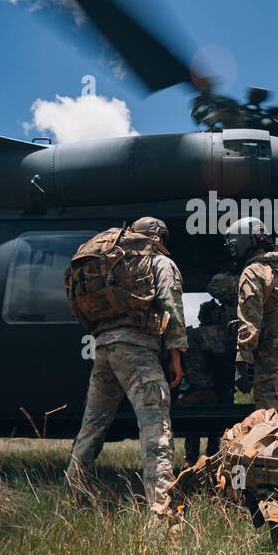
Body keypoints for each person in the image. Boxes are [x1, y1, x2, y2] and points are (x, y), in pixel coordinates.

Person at [65, 216, 186, 519]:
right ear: (160, 237)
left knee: (91, 428)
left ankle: (72, 500)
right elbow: (171, 307)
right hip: (137, 351)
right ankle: (162, 513)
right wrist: (176, 358)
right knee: (156, 430)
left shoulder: (115, 260)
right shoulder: (158, 261)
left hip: (104, 347)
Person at [224, 217, 278, 426]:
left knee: (274, 423)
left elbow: (250, 320)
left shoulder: (252, 272)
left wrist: (242, 362)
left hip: (274, 353)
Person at [179, 272, 238, 464]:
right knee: (204, 430)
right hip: (218, 392)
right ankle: (207, 459)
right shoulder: (217, 334)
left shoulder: (204, 335)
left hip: (210, 392)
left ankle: (197, 460)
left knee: (197, 427)